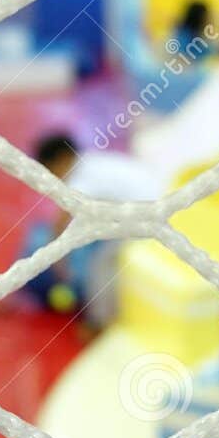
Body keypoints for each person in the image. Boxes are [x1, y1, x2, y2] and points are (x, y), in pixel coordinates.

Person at [24, 134, 159, 332]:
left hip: (150, 217)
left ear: (61, 160)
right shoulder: (92, 160)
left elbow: (60, 224)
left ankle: (100, 323)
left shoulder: (78, 179)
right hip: (154, 200)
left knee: (103, 263)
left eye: (51, 171)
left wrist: (58, 262)